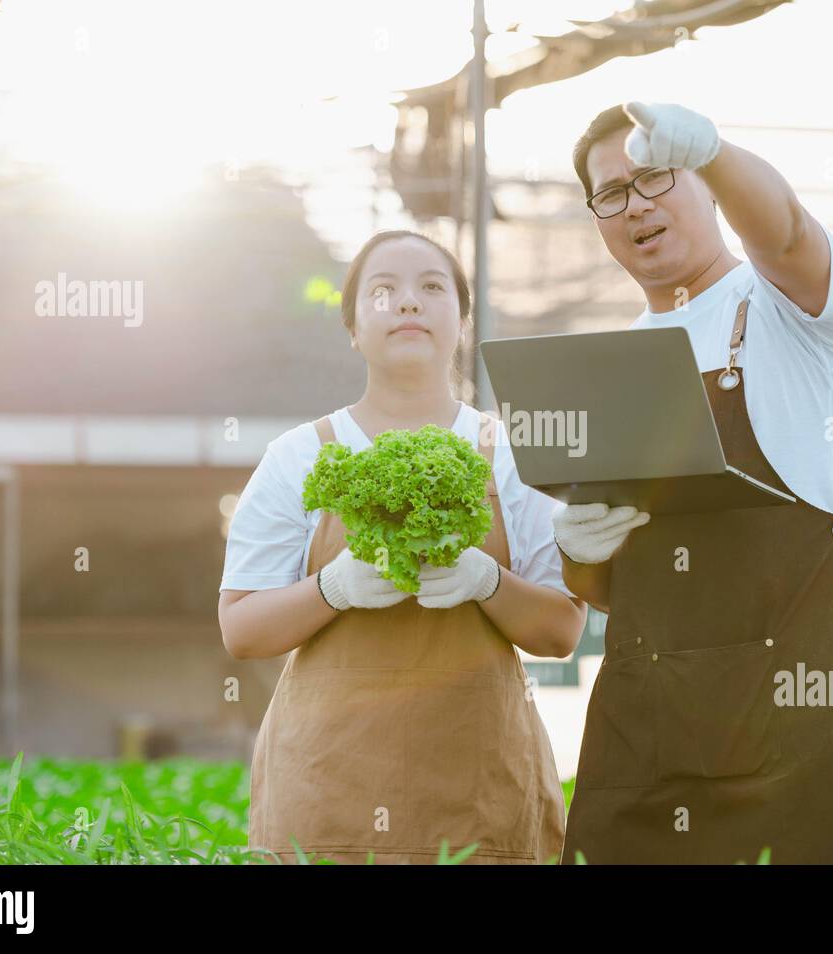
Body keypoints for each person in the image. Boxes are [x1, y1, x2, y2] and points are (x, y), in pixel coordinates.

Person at [555, 102, 833, 864]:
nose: (635, 203)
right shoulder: (613, 370)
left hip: (802, 704)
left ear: (707, 187)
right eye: (611, 193)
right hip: (647, 718)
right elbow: (613, 589)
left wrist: (715, 150)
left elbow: (787, 231)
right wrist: (576, 546)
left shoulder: (793, 310)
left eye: (656, 176)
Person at [219, 229, 587, 864]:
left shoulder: (516, 455)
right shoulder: (296, 458)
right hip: (327, 795)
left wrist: (489, 582)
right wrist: (331, 589)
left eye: (432, 287)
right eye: (383, 291)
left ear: (462, 322)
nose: (409, 303)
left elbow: (561, 631)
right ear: (354, 329)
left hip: (482, 796)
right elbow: (242, 628)